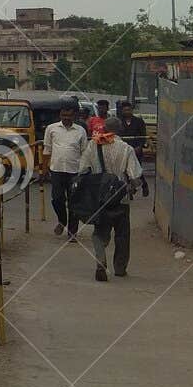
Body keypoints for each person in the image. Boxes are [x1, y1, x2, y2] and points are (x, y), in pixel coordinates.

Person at [79, 116, 144, 281]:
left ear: (104, 128)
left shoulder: (93, 145)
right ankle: (120, 268)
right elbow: (135, 175)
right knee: (122, 235)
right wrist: (132, 188)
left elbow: (83, 171)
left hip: (99, 199)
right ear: (120, 129)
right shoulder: (126, 148)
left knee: (99, 233)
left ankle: (100, 259)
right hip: (121, 199)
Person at [42, 97, 90, 240]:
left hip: (74, 171)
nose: (66, 118)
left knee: (74, 202)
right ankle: (62, 221)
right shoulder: (51, 129)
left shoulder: (80, 131)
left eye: (69, 116)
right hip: (56, 170)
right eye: (64, 115)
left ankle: (72, 232)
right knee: (57, 199)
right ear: (60, 115)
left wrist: (85, 171)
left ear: (74, 116)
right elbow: (47, 150)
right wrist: (44, 170)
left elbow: (85, 152)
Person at [117, 101, 148, 196]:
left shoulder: (139, 121)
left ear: (132, 110)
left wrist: (139, 147)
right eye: (125, 110)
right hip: (124, 149)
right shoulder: (119, 121)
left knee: (136, 169)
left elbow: (143, 136)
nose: (127, 111)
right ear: (122, 111)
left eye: (129, 110)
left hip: (136, 149)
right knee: (125, 169)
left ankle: (144, 185)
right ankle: (129, 190)